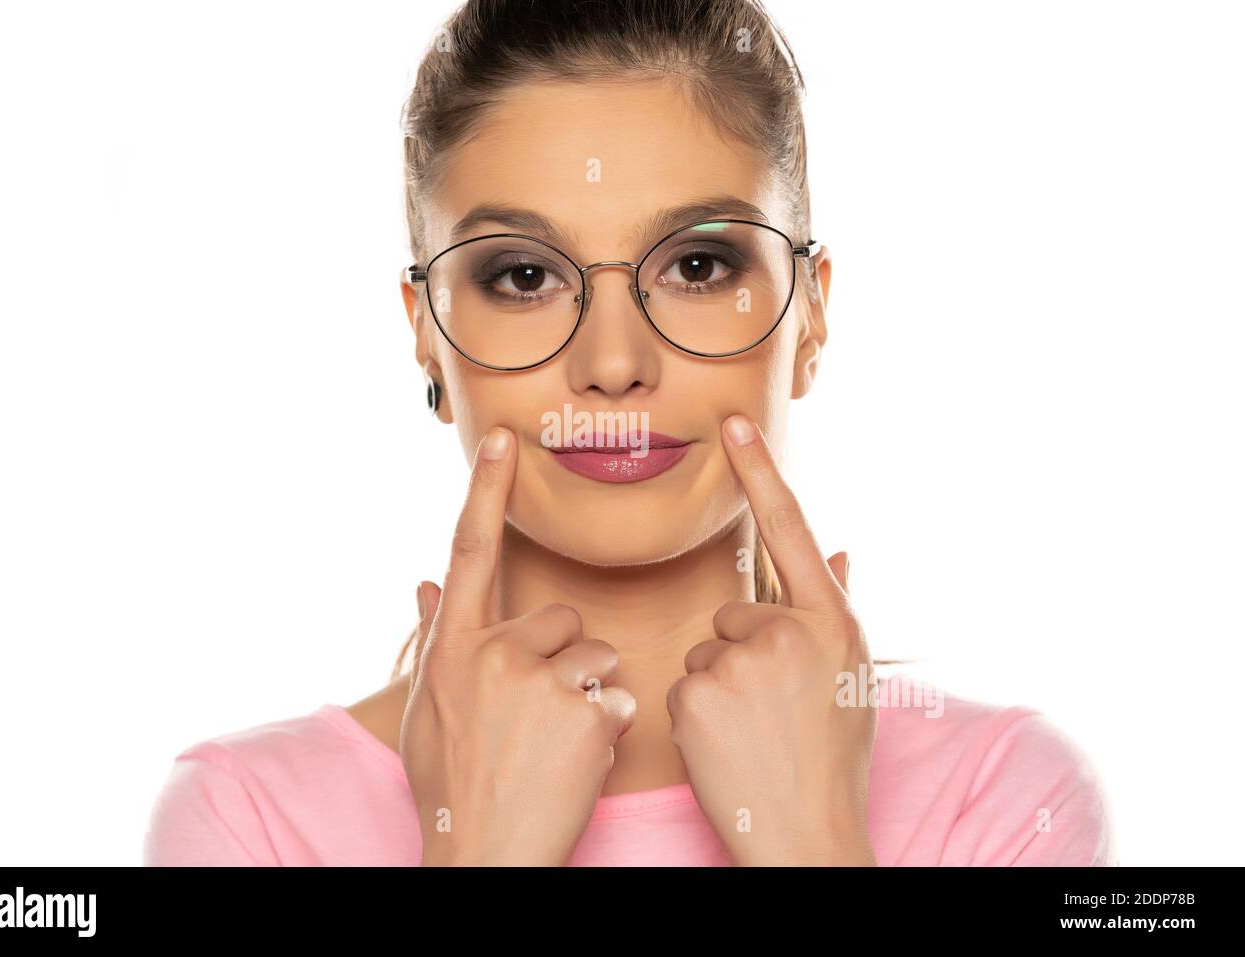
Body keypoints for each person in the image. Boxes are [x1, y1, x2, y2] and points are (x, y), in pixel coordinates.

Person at [144, 0, 1115, 866]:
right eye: (524, 276)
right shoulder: (246, 824)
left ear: (810, 315)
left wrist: (808, 847)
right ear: (427, 337)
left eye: (696, 267)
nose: (613, 362)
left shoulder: (1006, 798)